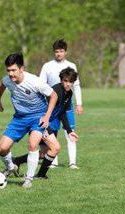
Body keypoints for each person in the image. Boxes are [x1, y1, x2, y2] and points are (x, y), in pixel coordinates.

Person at [0, 53, 60, 188]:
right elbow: (2, 84)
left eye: (14, 70)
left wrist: (47, 116)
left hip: (37, 116)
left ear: (21, 68)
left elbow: (53, 96)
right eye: (8, 70)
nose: (11, 74)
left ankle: (28, 180)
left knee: (33, 144)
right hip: (19, 117)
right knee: (2, 148)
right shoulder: (7, 80)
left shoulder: (35, 81)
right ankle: (12, 167)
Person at [13, 68, 79, 178]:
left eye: (71, 82)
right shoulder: (55, 91)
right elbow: (43, 107)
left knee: (44, 153)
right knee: (55, 148)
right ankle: (40, 174)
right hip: (40, 122)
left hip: (48, 123)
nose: (68, 84)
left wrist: (69, 131)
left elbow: (62, 112)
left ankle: (17, 161)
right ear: (61, 80)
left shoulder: (69, 93)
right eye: (66, 81)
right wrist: (42, 122)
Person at [39, 39, 83, 169]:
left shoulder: (72, 65)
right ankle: (53, 161)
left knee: (70, 131)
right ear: (54, 52)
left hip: (67, 105)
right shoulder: (47, 66)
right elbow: (41, 84)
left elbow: (77, 85)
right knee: (53, 132)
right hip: (51, 106)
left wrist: (79, 103)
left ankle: (72, 162)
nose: (59, 53)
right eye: (56, 51)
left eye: (61, 51)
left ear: (66, 52)